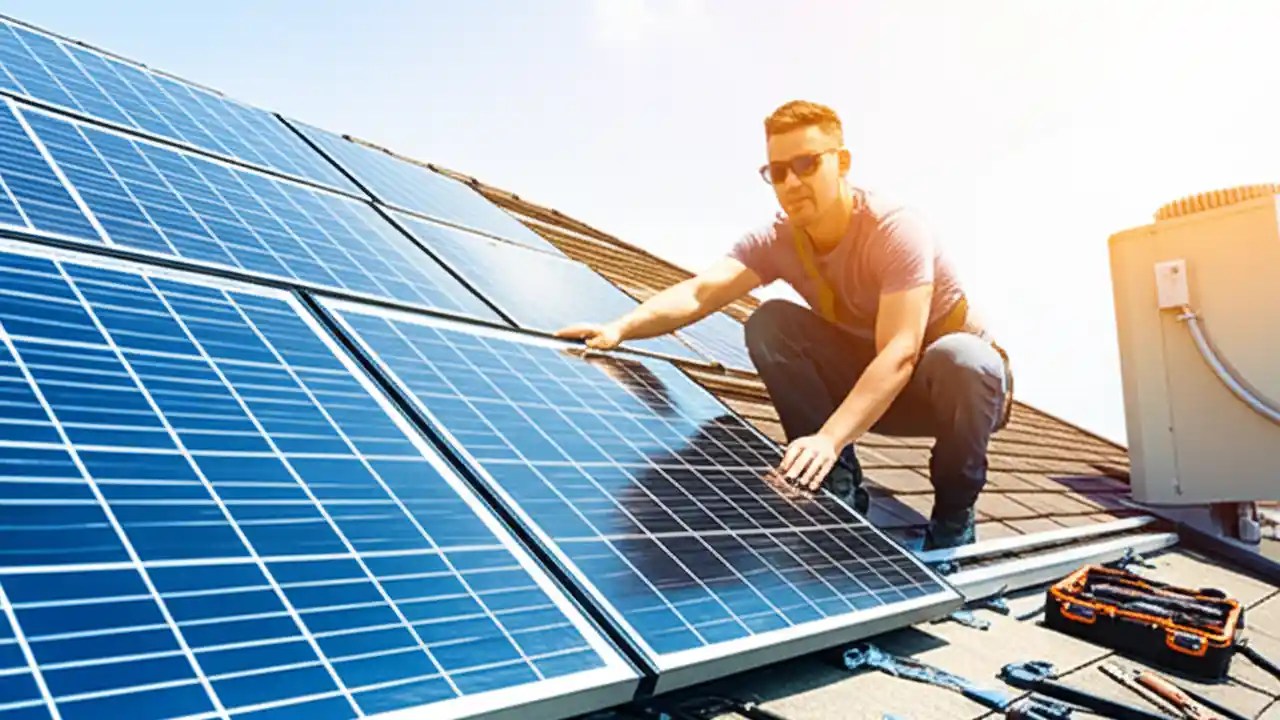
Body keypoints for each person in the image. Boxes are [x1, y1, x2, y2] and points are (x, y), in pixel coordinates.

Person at [555, 99, 1012, 550]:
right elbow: (700, 293)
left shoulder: (893, 229)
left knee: (964, 359)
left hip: (948, 393)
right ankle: (836, 486)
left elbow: (900, 352)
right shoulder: (779, 239)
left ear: (843, 162)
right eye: (777, 172)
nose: (792, 182)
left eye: (807, 164)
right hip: (875, 388)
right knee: (770, 322)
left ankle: (954, 519)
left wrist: (829, 438)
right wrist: (620, 328)